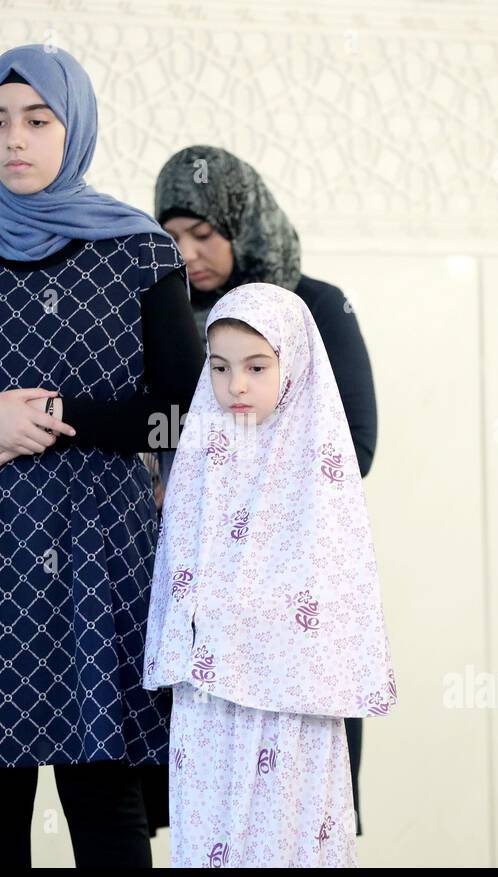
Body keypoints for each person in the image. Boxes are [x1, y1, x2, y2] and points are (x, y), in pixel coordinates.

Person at [0, 44, 203, 868]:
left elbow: (181, 417)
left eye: (37, 120)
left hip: (98, 555)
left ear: (76, 128)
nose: (14, 141)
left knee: (106, 804)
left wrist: (60, 415)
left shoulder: (141, 252)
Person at [152, 143, 379, 834]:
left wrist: (234, 490)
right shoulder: (160, 314)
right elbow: (155, 431)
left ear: (242, 225)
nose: (188, 252)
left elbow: (354, 445)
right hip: (208, 604)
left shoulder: (315, 308)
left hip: (294, 599)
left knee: (295, 822)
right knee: (213, 819)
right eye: (172, 237)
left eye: (203, 233)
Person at [143, 282, 396, 867]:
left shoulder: (322, 464)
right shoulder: (198, 458)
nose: (236, 385)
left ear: (294, 363)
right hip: (208, 699)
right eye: (220, 366)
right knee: (210, 837)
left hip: (291, 697)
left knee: (288, 837)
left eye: (257, 366)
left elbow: (336, 583)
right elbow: (181, 573)